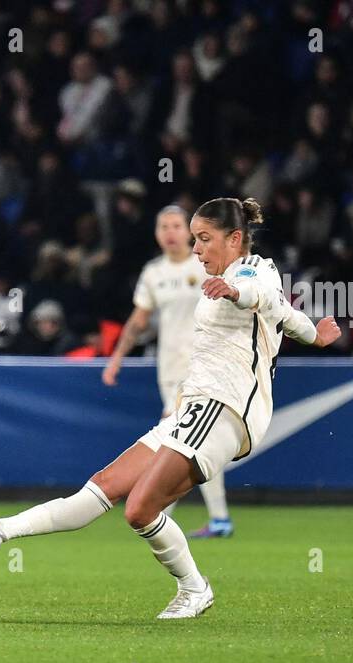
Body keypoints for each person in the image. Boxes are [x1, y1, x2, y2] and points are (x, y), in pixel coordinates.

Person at [0, 198, 342, 619]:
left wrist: (236, 291)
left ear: (235, 239)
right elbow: (288, 315)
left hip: (225, 409)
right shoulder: (218, 276)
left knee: (140, 509)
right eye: (194, 238)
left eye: (204, 239)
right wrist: (317, 336)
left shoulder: (252, 272)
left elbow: (263, 295)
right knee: (102, 486)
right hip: (194, 408)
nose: (195, 248)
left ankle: (195, 589)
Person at [104, 205, 234, 537]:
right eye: (164, 226)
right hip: (169, 370)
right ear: (157, 233)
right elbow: (138, 320)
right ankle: (216, 519)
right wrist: (117, 357)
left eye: (177, 225)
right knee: (194, 442)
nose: (170, 231)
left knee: (177, 438)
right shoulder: (153, 273)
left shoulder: (206, 264)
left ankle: (154, 513)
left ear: (189, 230)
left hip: (205, 366)